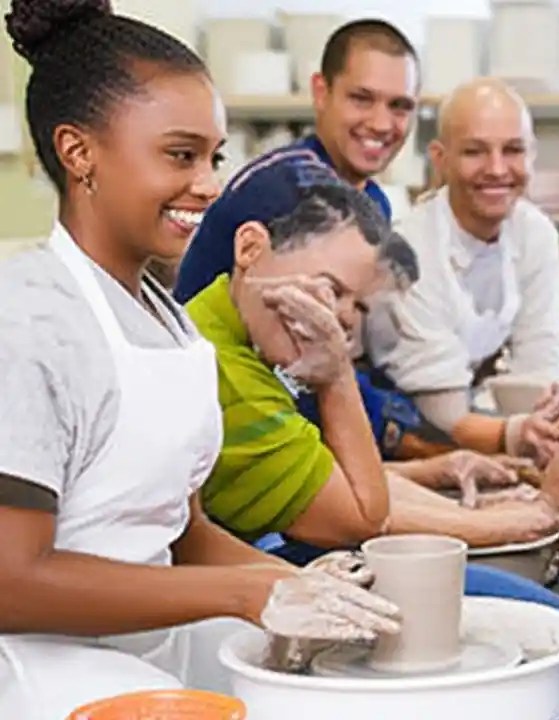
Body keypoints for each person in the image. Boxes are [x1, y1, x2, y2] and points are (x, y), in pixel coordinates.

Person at [0, 3, 396, 717]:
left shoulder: (171, 325)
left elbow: (179, 536)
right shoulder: (30, 318)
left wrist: (307, 585)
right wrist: (249, 593)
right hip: (36, 665)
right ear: (77, 151)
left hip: (147, 641)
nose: (210, 184)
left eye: (215, 156)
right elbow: (10, 582)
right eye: (180, 156)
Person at [184, 154, 559, 578]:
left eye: (355, 306)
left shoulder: (237, 330)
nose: (339, 318)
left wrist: (448, 485)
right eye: (330, 289)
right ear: (248, 247)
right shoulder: (226, 374)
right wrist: (543, 513)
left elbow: (334, 476)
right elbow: (364, 516)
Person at [173, 18, 440, 461]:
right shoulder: (287, 187)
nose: (382, 122)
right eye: (361, 98)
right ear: (320, 92)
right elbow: (307, 359)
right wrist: (420, 442)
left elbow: (345, 354)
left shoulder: (373, 201)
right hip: (226, 420)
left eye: (400, 106)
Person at [364, 78, 559, 461]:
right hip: (404, 437)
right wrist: (517, 435)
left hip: (483, 430)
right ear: (440, 158)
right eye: (475, 151)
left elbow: (542, 359)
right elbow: (442, 412)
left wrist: (547, 426)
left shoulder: (534, 233)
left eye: (513, 150)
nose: (497, 169)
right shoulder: (408, 249)